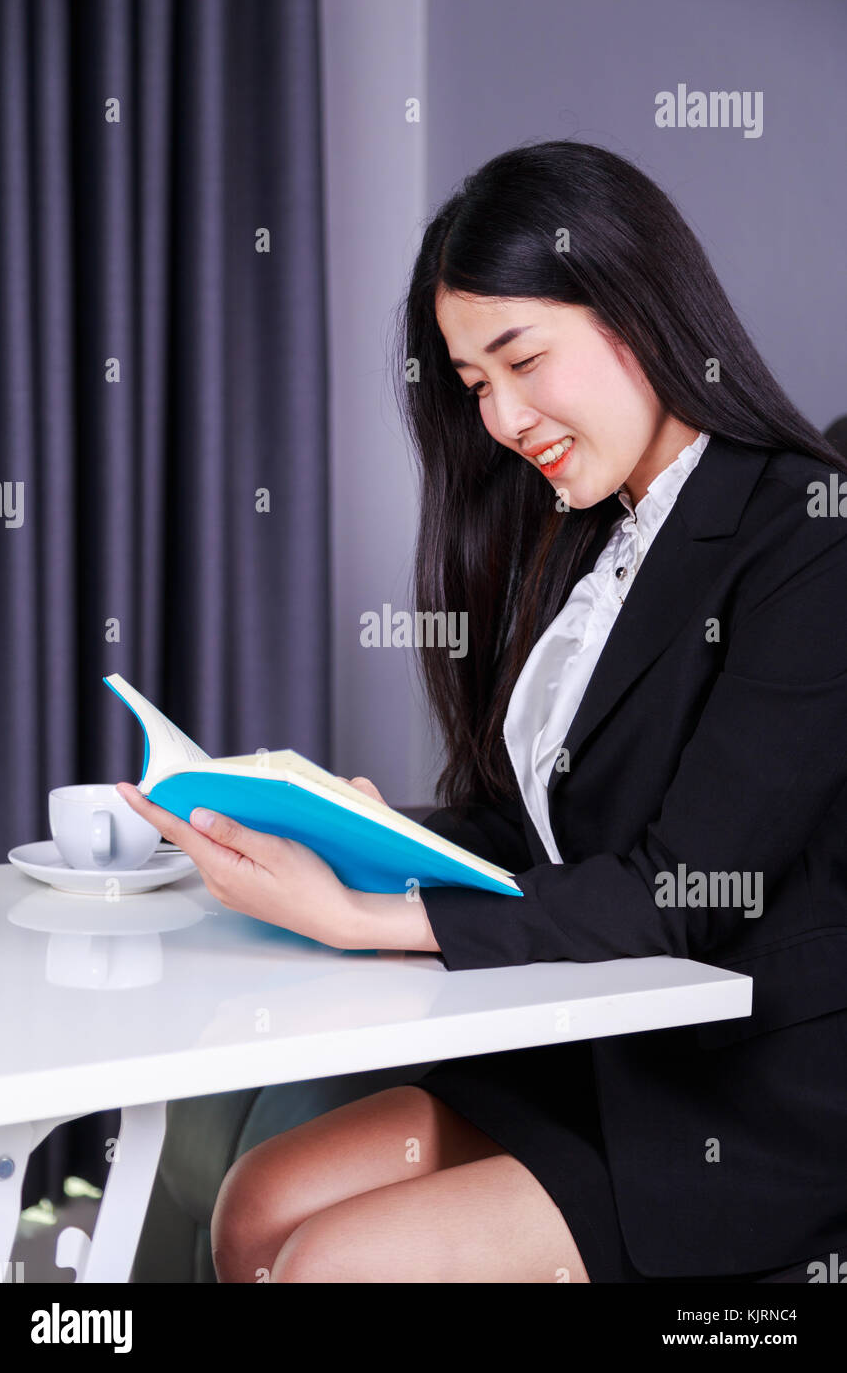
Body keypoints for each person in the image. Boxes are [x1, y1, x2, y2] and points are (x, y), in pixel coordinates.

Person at [119, 140, 847, 1283]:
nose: (501, 418)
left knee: (329, 1262)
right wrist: (363, 829)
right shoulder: (589, 537)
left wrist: (377, 920)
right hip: (594, 1043)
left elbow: (689, 886)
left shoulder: (806, 531)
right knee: (258, 1209)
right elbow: (540, 833)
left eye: (519, 360)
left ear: (635, 307)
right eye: (472, 386)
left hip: (740, 1100)